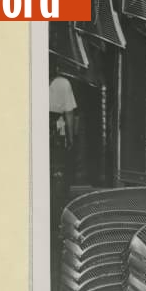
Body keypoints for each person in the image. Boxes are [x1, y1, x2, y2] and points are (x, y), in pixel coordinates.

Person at [50, 65, 78, 206]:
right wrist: (71, 138)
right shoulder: (63, 83)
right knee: (58, 167)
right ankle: (56, 203)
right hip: (56, 131)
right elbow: (69, 113)